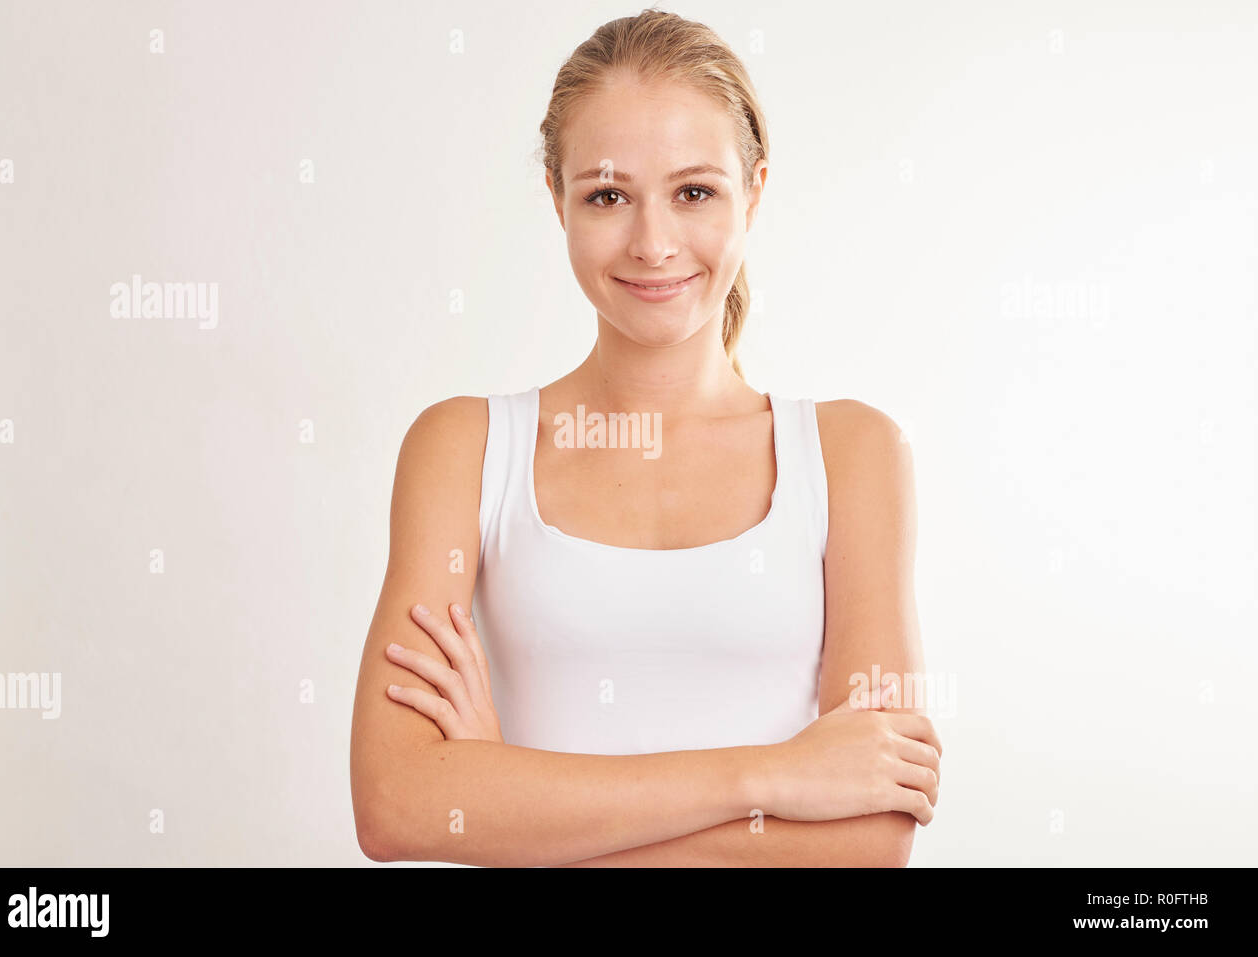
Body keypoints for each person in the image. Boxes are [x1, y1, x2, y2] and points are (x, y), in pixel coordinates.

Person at [350, 8, 941, 867]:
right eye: (607, 196)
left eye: (694, 191)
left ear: (756, 192)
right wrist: (774, 775)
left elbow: (868, 842)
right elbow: (398, 803)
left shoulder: (853, 454)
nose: (653, 243)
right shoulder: (463, 448)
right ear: (556, 200)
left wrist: (507, 798)